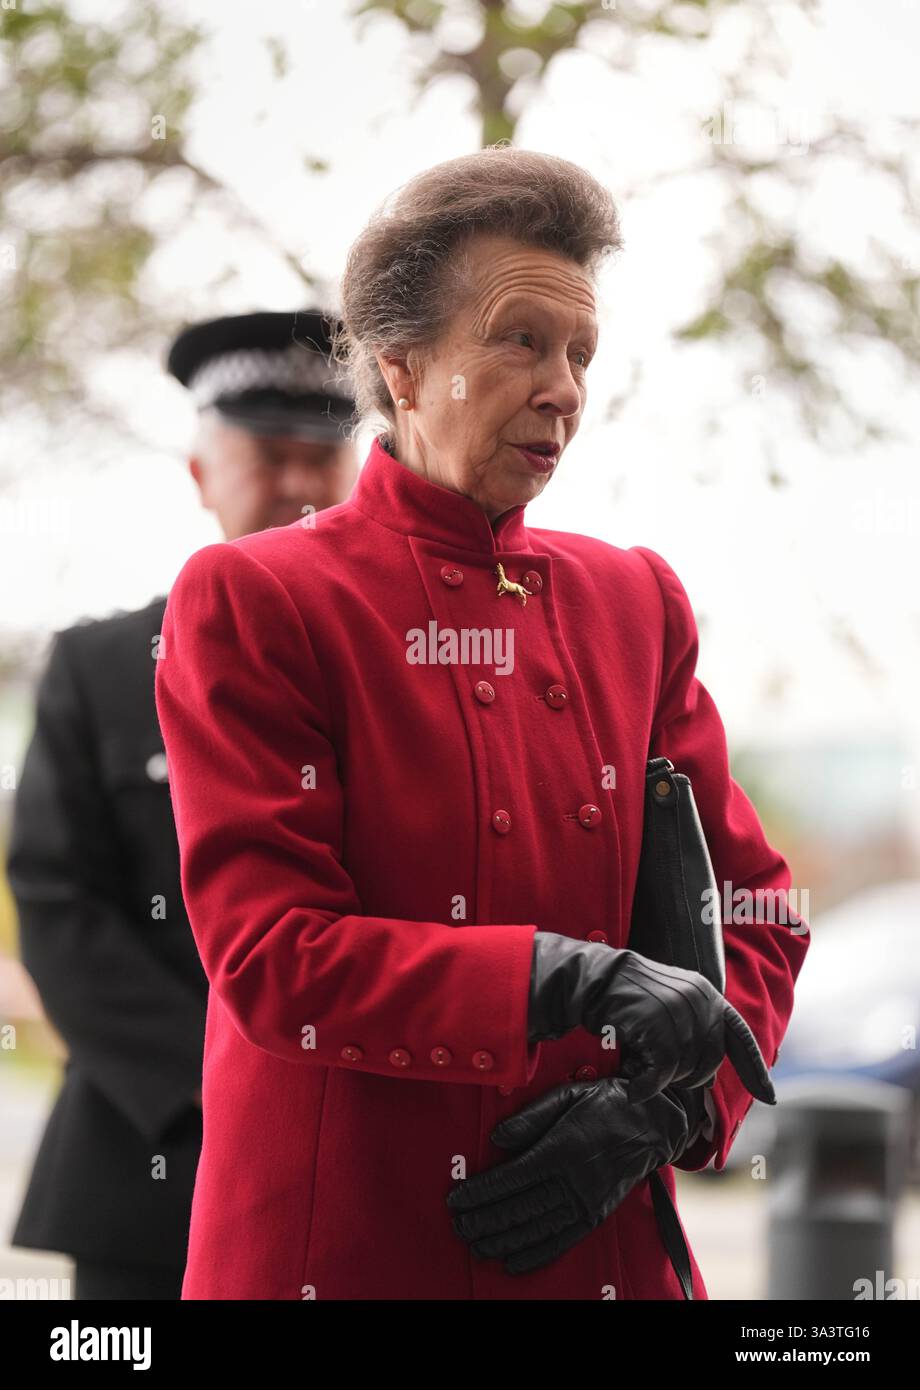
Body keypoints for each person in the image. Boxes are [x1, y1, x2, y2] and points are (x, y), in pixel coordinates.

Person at [154, 150, 810, 1301]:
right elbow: (273, 954)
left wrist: (655, 1114)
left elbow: (757, 908)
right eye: (519, 340)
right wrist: (570, 977)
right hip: (352, 1248)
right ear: (400, 370)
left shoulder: (633, 599)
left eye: (579, 354)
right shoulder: (258, 598)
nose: (562, 386)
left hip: (599, 1245)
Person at [6, 310, 357, 1300]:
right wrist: (240, 1081)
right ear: (202, 473)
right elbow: (60, 906)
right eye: (266, 454)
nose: (293, 484)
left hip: (365, 1161)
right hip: (153, 1160)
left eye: (318, 456)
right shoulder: (100, 667)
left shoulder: (402, 666)